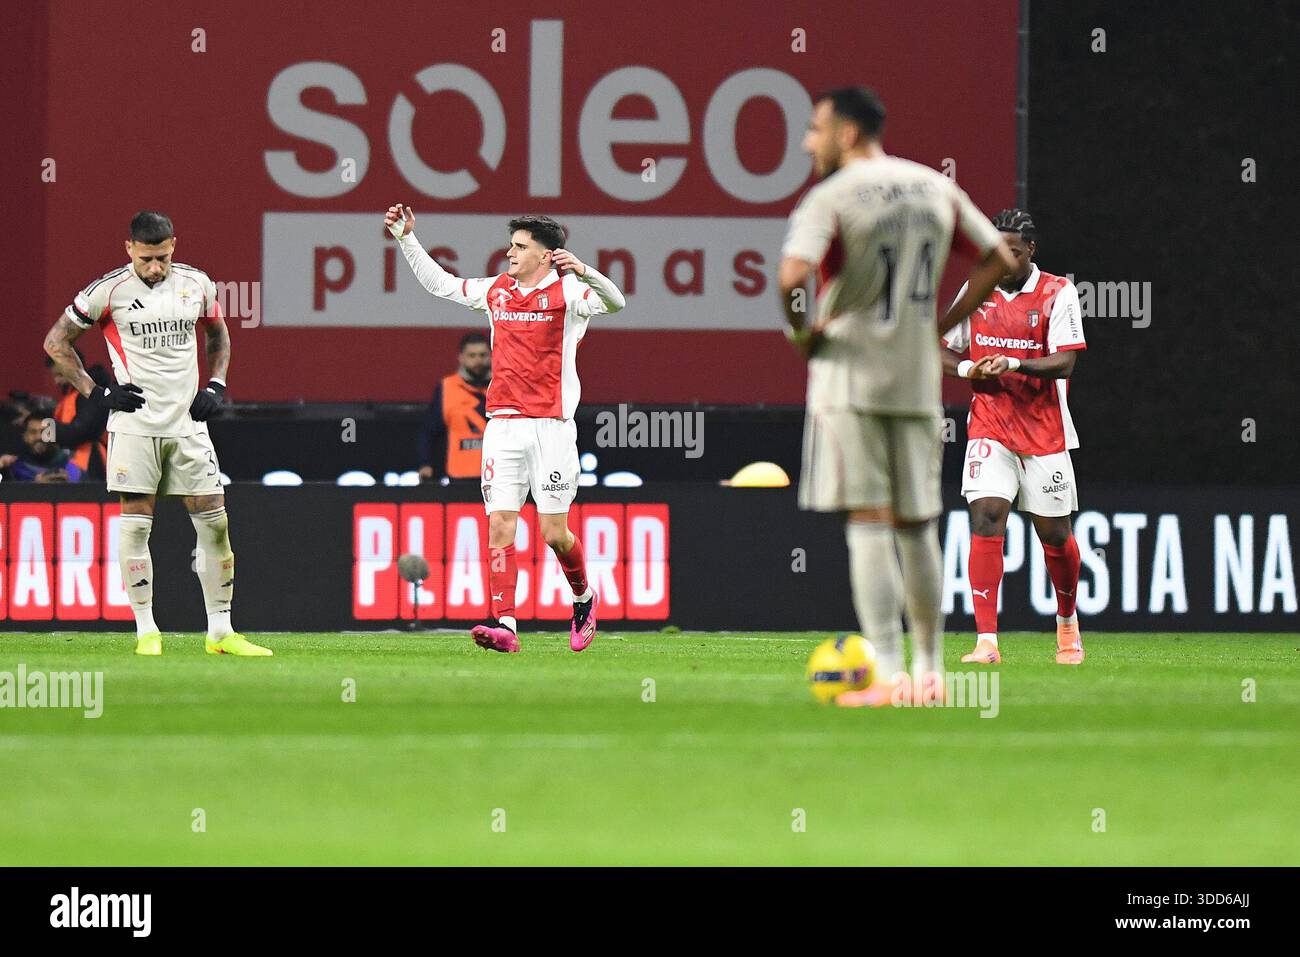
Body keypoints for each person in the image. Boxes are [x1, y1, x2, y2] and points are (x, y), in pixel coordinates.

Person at [777, 87, 1015, 707]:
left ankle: (886, 672)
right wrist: (938, 324)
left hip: (850, 375)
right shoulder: (933, 187)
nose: (809, 142)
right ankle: (932, 672)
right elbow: (996, 258)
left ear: (846, 134)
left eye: (815, 129)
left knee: (868, 521)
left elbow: (794, 278)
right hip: (915, 379)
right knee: (917, 524)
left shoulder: (829, 196)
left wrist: (804, 333)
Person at [385, 205, 625, 653]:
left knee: (555, 533)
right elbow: (441, 285)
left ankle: (583, 598)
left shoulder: (569, 295)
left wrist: (587, 271)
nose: (510, 253)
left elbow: (616, 302)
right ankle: (506, 624)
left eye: (520, 247)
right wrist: (406, 238)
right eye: (511, 245)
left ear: (546, 255)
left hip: (552, 429)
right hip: (504, 428)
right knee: (500, 526)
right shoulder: (497, 290)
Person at [43, 210, 271, 657]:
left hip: (189, 424)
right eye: (147, 258)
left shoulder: (196, 284)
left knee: (216, 521)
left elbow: (218, 335)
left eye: (163, 257)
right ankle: (147, 630)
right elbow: (56, 342)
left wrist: (217, 385)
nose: (155, 268)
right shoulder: (106, 291)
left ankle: (221, 633)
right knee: (136, 523)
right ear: (129, 249)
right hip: (135, 425)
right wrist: (98, 394)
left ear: (174, 246)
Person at [941, 209, 1086, 665]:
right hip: (991, 425)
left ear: (1032, 252)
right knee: (985, 517)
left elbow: (1065, 363)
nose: (1005, 261)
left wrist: (1013, 363)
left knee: (1055, 536)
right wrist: (968, 368)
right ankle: (987, 642)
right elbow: (936, 346)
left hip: (1044, 432)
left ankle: (1066, 622)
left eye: (1015, 252)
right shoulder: (976, 291)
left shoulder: (1057, 292)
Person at [418, 332, 491, 483]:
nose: (478, 360)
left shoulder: (502, 386)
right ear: (461, 358)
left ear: (491, 356)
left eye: (482, 355)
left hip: (498, 473)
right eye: (472, 356)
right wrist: (425, 463)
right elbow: (430, 430)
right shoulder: (447, 387)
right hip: (459, 474)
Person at [44, 350, 111, 479]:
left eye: (60, 375)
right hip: (76, 462)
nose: (57, 382)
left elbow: (83, 430)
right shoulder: (74, 395)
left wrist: (47, 428)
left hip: (91, 463)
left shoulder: (91, 394)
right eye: (55, 376)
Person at [0, 413, 82, 482]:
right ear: (25, 437)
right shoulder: (13, 468)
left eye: (45, 432)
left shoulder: (72, 468)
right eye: (33, 432)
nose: (39, 437)